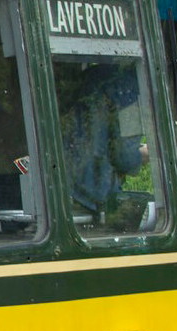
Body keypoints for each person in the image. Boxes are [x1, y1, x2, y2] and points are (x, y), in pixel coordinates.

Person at [62, 63, 147, 221]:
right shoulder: (129, 89)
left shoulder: (91, 76)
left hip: (64, 188)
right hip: (94, 193)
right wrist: (143, 154)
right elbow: (125, 157)